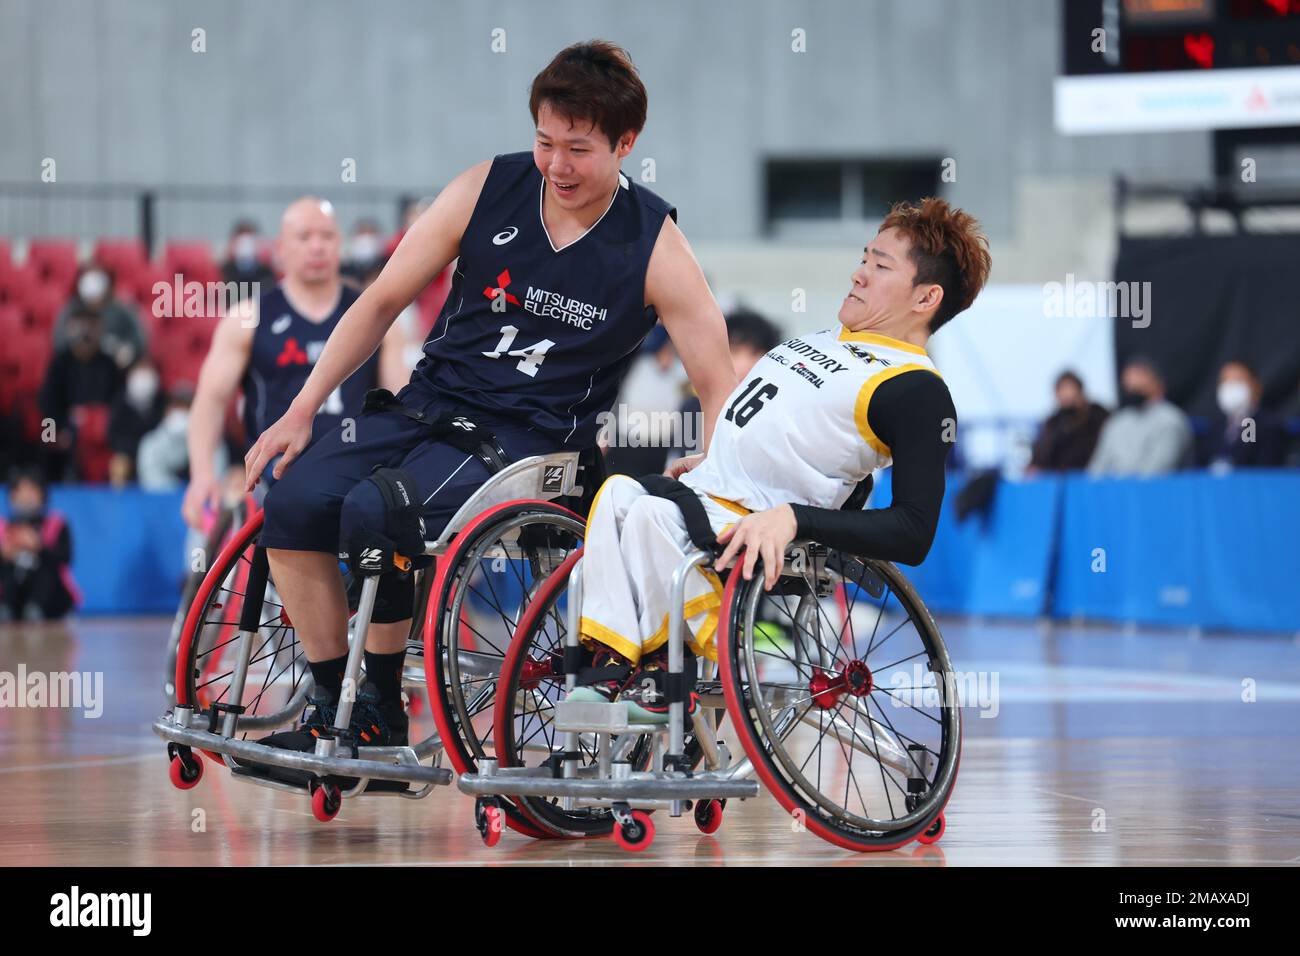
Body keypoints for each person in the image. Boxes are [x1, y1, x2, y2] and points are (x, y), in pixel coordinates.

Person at [240, 40, 737, 763]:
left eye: (579, 148)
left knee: (375, 512)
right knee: (292, 504)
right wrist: (302, 408)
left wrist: (715, 459)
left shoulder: (656, 247)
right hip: (429, 403)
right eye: (544, 142)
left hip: (532, 440)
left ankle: (374, 712)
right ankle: (335, 700)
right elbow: (381, 299)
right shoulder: (487, 187)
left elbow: (719, 381)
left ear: (627, 144)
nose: (557, 165)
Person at [570, 198, 990, 720]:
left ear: (927, 296)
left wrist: (795, 519)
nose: (858, 274)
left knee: (650, 515)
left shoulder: (917, 391)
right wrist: (717, 456)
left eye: (880, 266)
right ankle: (616, 668)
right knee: (616, 494)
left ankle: (664, 674)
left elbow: (914, 531)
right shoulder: (825, 339)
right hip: (710, 497)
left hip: (754, 526)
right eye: (864, 257)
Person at [181, 197, 408, 528]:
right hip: (272, 477)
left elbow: (398, 401)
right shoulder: (248, 317)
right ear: (281, 248)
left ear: (339, 245)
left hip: (357, 472)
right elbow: (211, 401)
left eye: (327, 236)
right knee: (217, 520)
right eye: (304, 237)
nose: (317, 247)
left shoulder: (375, 314)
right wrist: (202, 476)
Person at [39, 310, 124, 482]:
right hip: (65, 432)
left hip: (103, 435)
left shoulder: (109, 365)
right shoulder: (60, 363)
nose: (85, 333)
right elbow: (48, 404)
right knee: (49, 449)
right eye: (80, 327)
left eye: (91, 327)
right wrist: (55, 433)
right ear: (70, 329)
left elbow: (119, 404)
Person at [1087, 358, 1192, 477]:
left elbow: (1158, 471)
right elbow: (1096, 471)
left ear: (1156, 383)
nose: (1132, 385)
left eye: (1139, 378)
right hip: (1114, 491)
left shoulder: (1170, 420)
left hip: (1156, 492)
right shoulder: (1117, 422)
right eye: (1129, 383)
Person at [0, 469, 79, 622]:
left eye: (31, 490)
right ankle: (6, 610)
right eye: (20, 491)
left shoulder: (57, 523)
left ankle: (35, 609)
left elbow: (65, 559)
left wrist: (38, 547)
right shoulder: (3, 527)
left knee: (44, 569)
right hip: (14, 598)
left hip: (51, 600)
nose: (25, 497)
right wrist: (5, 554)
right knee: (9, 570)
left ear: (42, 494)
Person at [53, 262, 146, 369]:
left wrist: (128, 349)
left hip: (113, 373)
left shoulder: (122, 309)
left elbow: (139, 339)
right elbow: (60, 342)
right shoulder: (71, 310)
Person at [1197, 360, 1286, 470]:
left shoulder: (1265, 426)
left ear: (1256, 386)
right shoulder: (1215, 427)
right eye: (1225, 381)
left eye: (1238, 380)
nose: (1230, 387)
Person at [1027, 370, 1108, 473]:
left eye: (1070, 389)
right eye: (1062, 390)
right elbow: (1041, 456)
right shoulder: (1053, 423)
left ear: (1080, 391)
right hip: (1057, 481)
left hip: (1090, 479)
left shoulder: (1098, 416)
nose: (1067, 395)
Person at [108, 357, 165, 486]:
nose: (144, 376)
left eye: (148, 370)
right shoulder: (120, 402)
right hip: (129, 451)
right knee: (119, 464)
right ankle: (118, 500)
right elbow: (114, 434)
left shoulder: (162, 401)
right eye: (140, 369)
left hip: (157, 453)